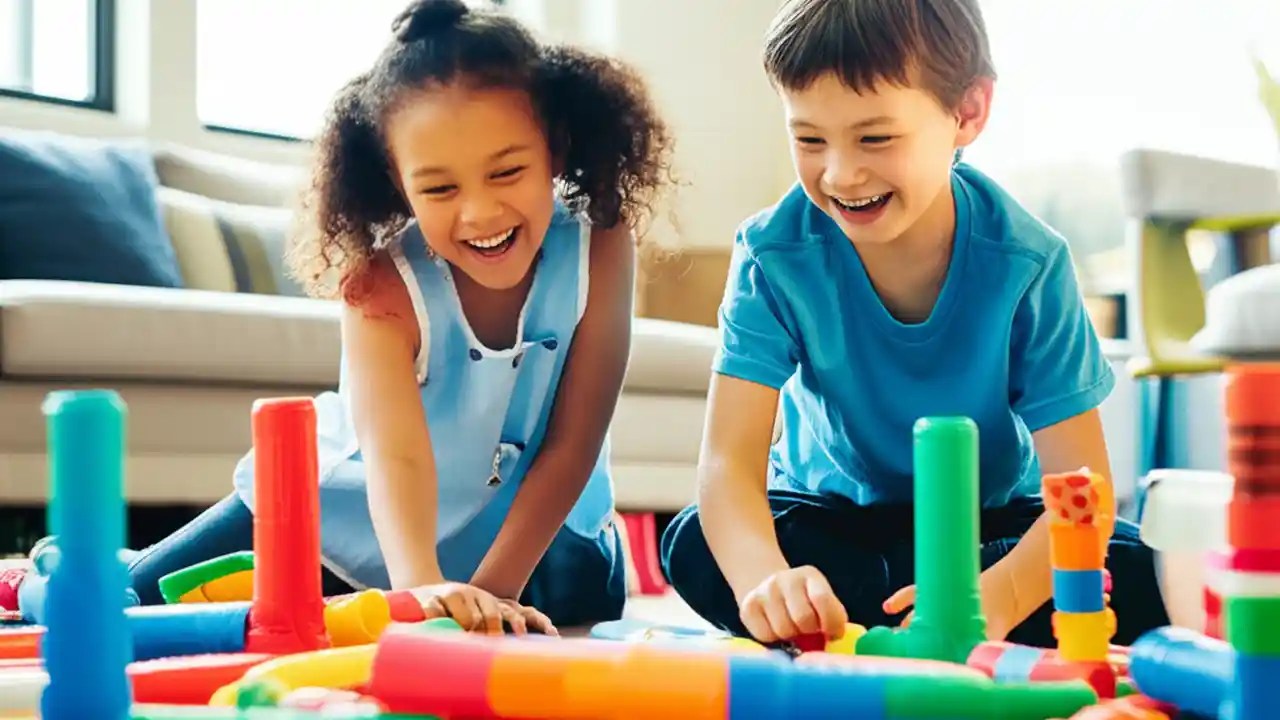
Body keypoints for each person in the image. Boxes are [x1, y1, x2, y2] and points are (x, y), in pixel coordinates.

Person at [5, 0, 674, 635]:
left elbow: (572, 444)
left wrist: (492, 594)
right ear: (394, 181)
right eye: (440, 188)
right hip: (346, 512)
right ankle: (47, 571)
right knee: (124, 603)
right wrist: (422, 593)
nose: (479, 213)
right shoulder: (379, 278)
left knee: (583, 597)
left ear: (555, 146)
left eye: (507, 172)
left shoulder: (603, 244)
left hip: (531, 535)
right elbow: (396, 456)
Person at [659, 0, 1169, 648]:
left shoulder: (1029, 265)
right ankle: (874, 606)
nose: (841, 173)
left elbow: (1083, 489)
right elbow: (728, 467)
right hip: (831, 520)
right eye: (809, 139)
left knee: (1137, 566)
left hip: (987, 527)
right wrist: (767, 580)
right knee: (699, 541)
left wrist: (1003, 592)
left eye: (876, 138)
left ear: (968, 113)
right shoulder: (772, 255)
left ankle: (884, 612)